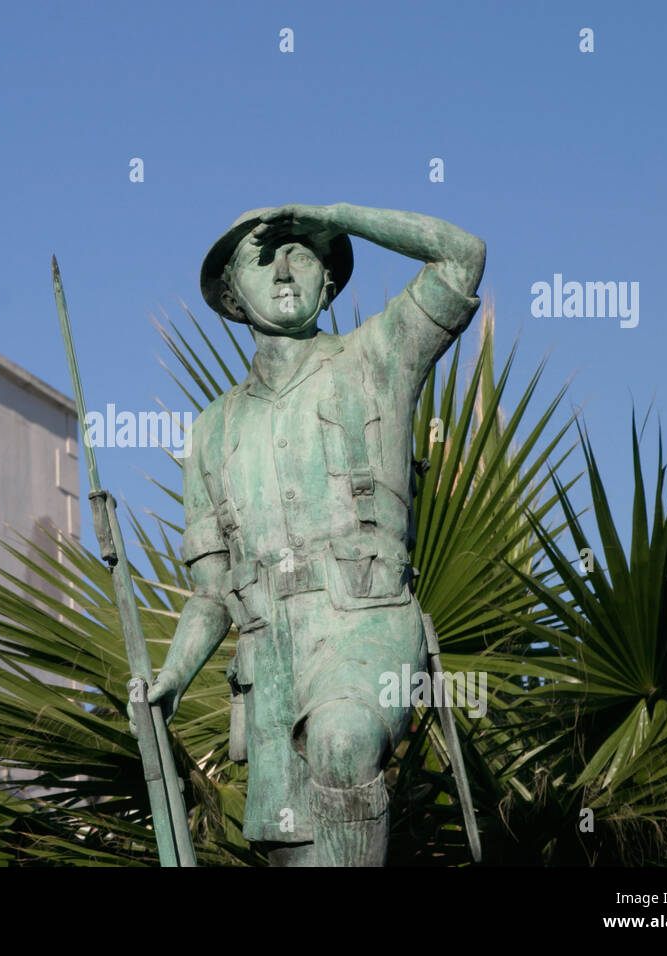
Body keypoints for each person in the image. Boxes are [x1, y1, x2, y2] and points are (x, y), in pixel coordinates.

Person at [148, 202, 484, 865]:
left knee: (340, 740)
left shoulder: (377, 356)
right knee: (294, 855)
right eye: (261, 255)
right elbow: (212, 595)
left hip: (365, 620)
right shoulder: (212, 430)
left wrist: (336, 217)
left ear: (328, 281)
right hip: (269, 659)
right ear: (230, 294)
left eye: (301, 252)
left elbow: (462, 255)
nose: (282, 266)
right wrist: (172, 678)